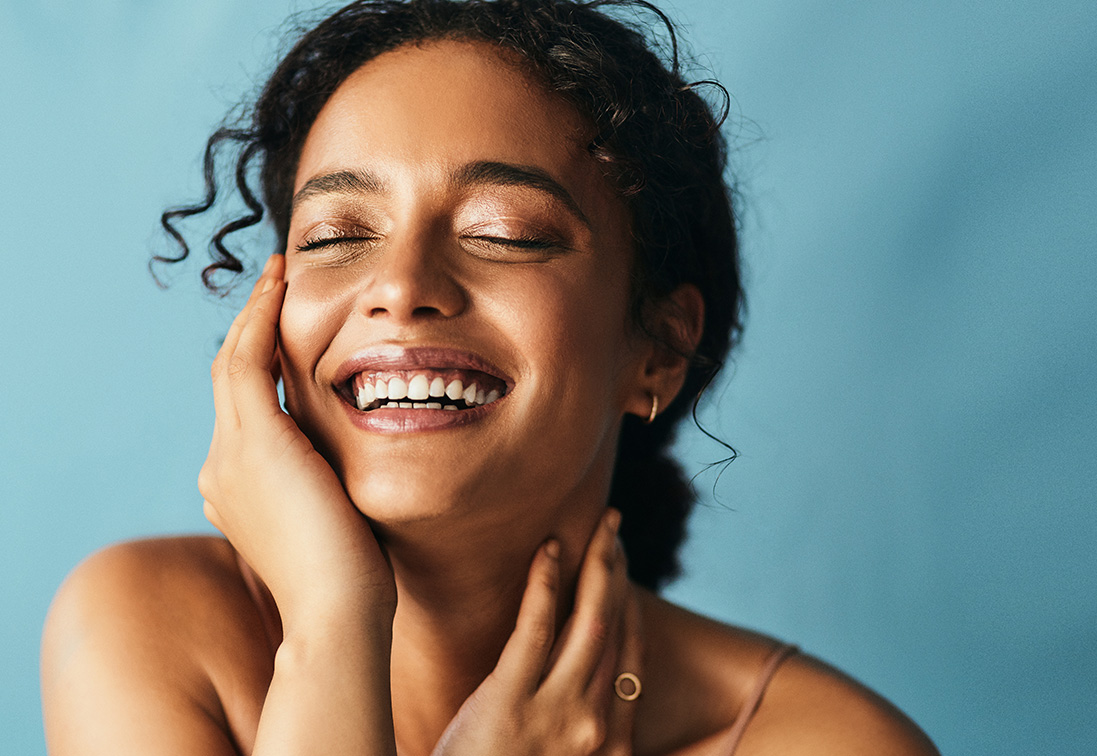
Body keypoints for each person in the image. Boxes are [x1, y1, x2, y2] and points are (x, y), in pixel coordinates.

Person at [41, 1, 938, 753]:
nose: (400, 286)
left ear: (660, 348)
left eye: (504, 232)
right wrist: (332, 619)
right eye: (337, 235)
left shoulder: (829, 742)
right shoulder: (147, 627)